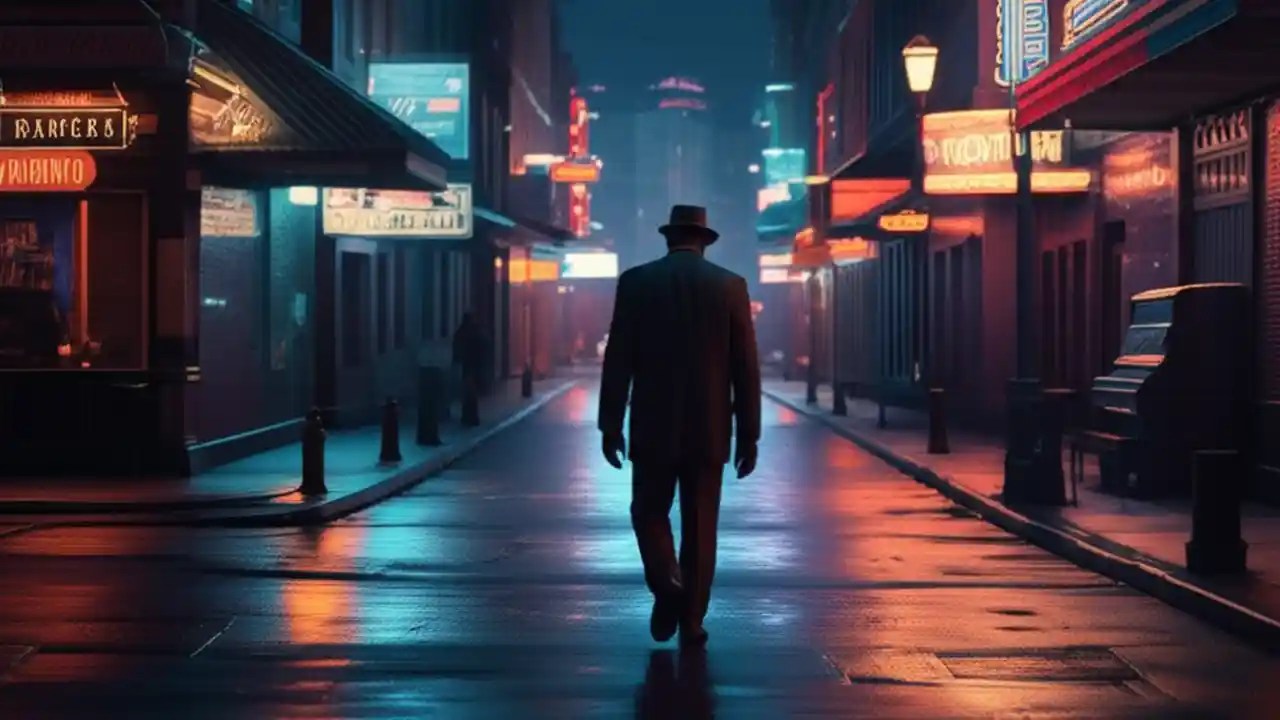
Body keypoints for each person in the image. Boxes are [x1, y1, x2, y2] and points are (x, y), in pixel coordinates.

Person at [598, 204, 762, 647]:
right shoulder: (730, 287)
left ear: (668, 239)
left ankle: (667, 582)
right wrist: (749, 434)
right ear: (704, 243)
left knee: (648, 511)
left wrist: (610, 423)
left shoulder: (636, 283)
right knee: (701, 524)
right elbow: (745, 367)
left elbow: (618, 359)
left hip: (652, 424)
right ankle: (692, 620)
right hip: (710, 429)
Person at [452, 312, 488, 426]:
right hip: (474, 365)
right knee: (472, 392)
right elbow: (483, 347)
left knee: (468, 392)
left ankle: (467, 416)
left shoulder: (462, 332)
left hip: (467, 366)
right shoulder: (475, 332)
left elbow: (457, 347)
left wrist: (457, 359)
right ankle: (472, 417)